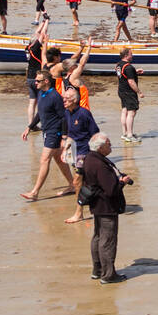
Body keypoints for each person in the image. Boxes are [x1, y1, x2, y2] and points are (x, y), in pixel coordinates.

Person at [81, 133, 132, 283]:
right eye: (108, 144)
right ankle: (108, 275)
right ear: (101, 147)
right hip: (106, 206)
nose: (111, 146)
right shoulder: (98, 164)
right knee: (107, 240)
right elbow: (111, 190)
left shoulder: (90, 158)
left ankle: (97, 270)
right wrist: (121, 182)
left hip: (97, 204)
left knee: (98, 237)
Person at [21, 70, 75, 200]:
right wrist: (30, 127)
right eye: (35, 80)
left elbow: (63, 117)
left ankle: (35, 192)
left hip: (54, 132)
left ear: (46, 81)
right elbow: (40, 113)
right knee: (59, 160)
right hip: (46, 131)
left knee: (44, 160)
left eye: (38, 81)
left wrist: (63, 137)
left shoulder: (55, 96)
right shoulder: (41, 93)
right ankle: (73, 185)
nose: (35, 83)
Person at [61, 86, 100, 224]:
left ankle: (79, 213)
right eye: (63, 98)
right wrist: (65, 147)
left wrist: (96, 154)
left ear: (74, 100)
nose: (63, 100)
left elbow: (95, 133)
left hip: (85, 151)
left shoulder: (84, 114)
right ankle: (92, 206)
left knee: (77, 181)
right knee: (83, 182)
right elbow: (71, 133)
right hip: (74, 150)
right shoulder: (67, 113)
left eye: (66, 98)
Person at [115, 47, 143, 143]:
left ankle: (125, 133)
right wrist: (139, 92)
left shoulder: (118, 65)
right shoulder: (129, 67)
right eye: (131, 54)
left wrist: (135, 72)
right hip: (129, 92)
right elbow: (131, 82)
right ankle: (130, 135)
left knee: (124, 111)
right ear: (126, 56)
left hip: (121, 90)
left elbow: (124, 75)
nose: (133, 55)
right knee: (131, 113)